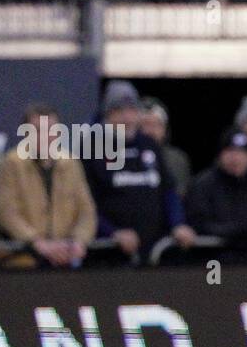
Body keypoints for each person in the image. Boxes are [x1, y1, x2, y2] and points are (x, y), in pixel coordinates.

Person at [84, 80, 196, 259]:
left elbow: (168, 191)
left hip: (155, 251)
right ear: (107, 115)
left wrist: (178, 223)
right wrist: (112, 233)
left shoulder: (149, 145)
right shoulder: (92, 150)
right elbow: (85, 206)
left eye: (132, 111)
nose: (127, 118)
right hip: (110, 252)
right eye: (119, 112)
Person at [0, 104, 96, 268]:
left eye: (51, 130)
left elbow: (87, 212)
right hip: (21, 259)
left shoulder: (70, 164)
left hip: (65, 259)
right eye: (37, 131)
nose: (46, 136)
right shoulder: (12, 163)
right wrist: (38, 243)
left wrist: (79, 241)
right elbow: (6, 213)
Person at [185, 127, 247, 245]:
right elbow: (197, 224)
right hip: (211, 257)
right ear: (220, 155)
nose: (235, 158)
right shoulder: (203, 184)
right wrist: (237, 231)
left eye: (242, 152)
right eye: (230, 151)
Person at [140, 97, 192, 199]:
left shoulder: (177, 160)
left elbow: (181, 195)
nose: (151, 131)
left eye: (157, 125)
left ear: (165, 129)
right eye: (146, 124)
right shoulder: (125, 156)